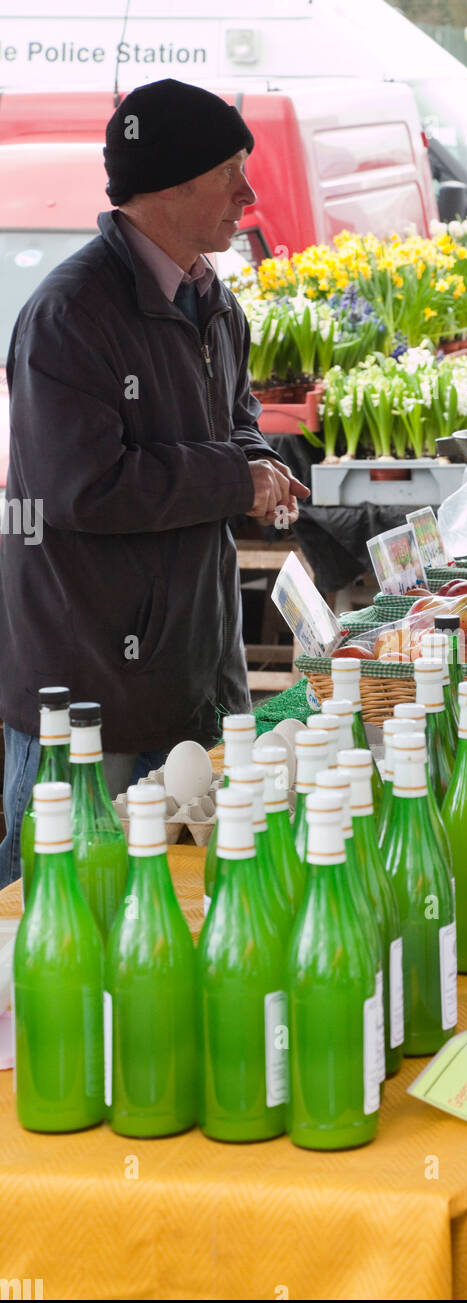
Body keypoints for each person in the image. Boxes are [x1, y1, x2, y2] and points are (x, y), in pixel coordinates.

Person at [0, 79, 309, 889]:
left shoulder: (214, 300)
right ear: (172, 185)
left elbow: (234, 425)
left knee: (198, 907)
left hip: (194, 669)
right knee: (70, 913)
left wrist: (260, 467)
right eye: (232, 172)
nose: (247, 195)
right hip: (92, 693)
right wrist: (232, 480)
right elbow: (84, 489)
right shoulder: (70, 315)